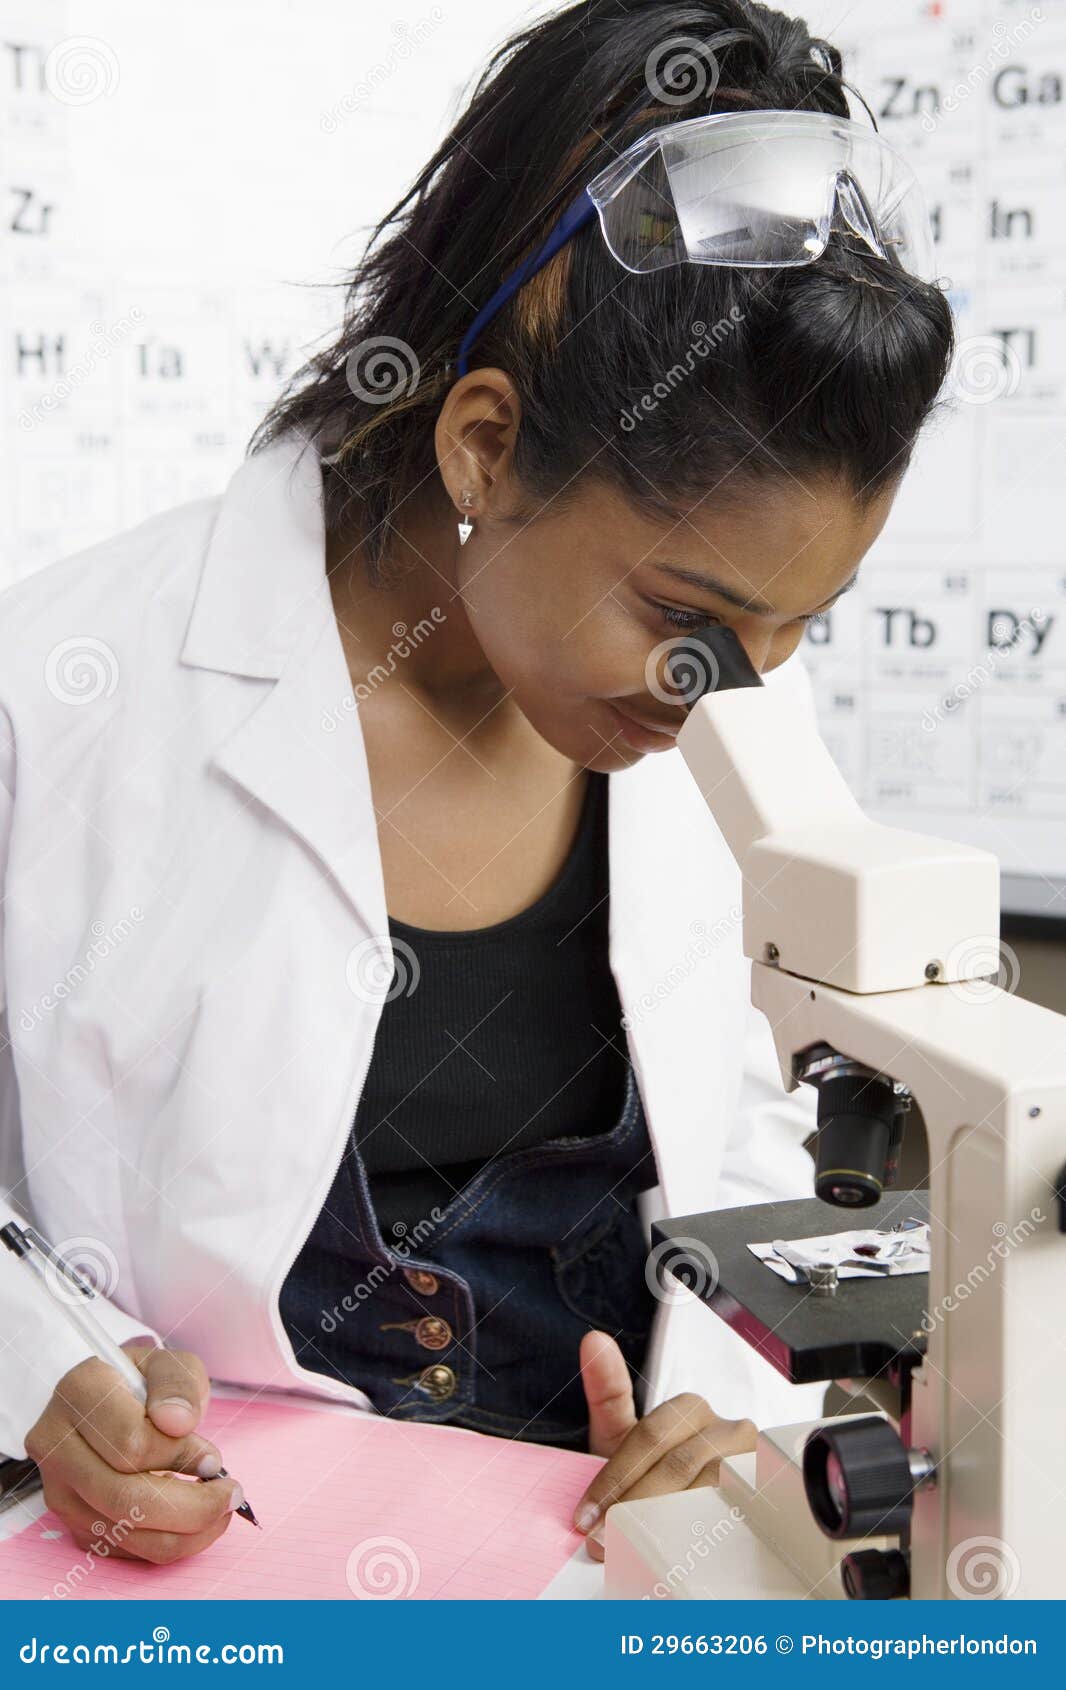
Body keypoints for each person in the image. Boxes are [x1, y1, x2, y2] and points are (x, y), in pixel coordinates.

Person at [0, 0, 953, 1567]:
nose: (745, 683)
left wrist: (716, 1416)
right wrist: (55, 1374)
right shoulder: (66, 692)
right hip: (211, 1546)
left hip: (589, 1547)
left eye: (799, 626)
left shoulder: (733, 713)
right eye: (689, 617)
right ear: (485, 446)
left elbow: (747, 1130)